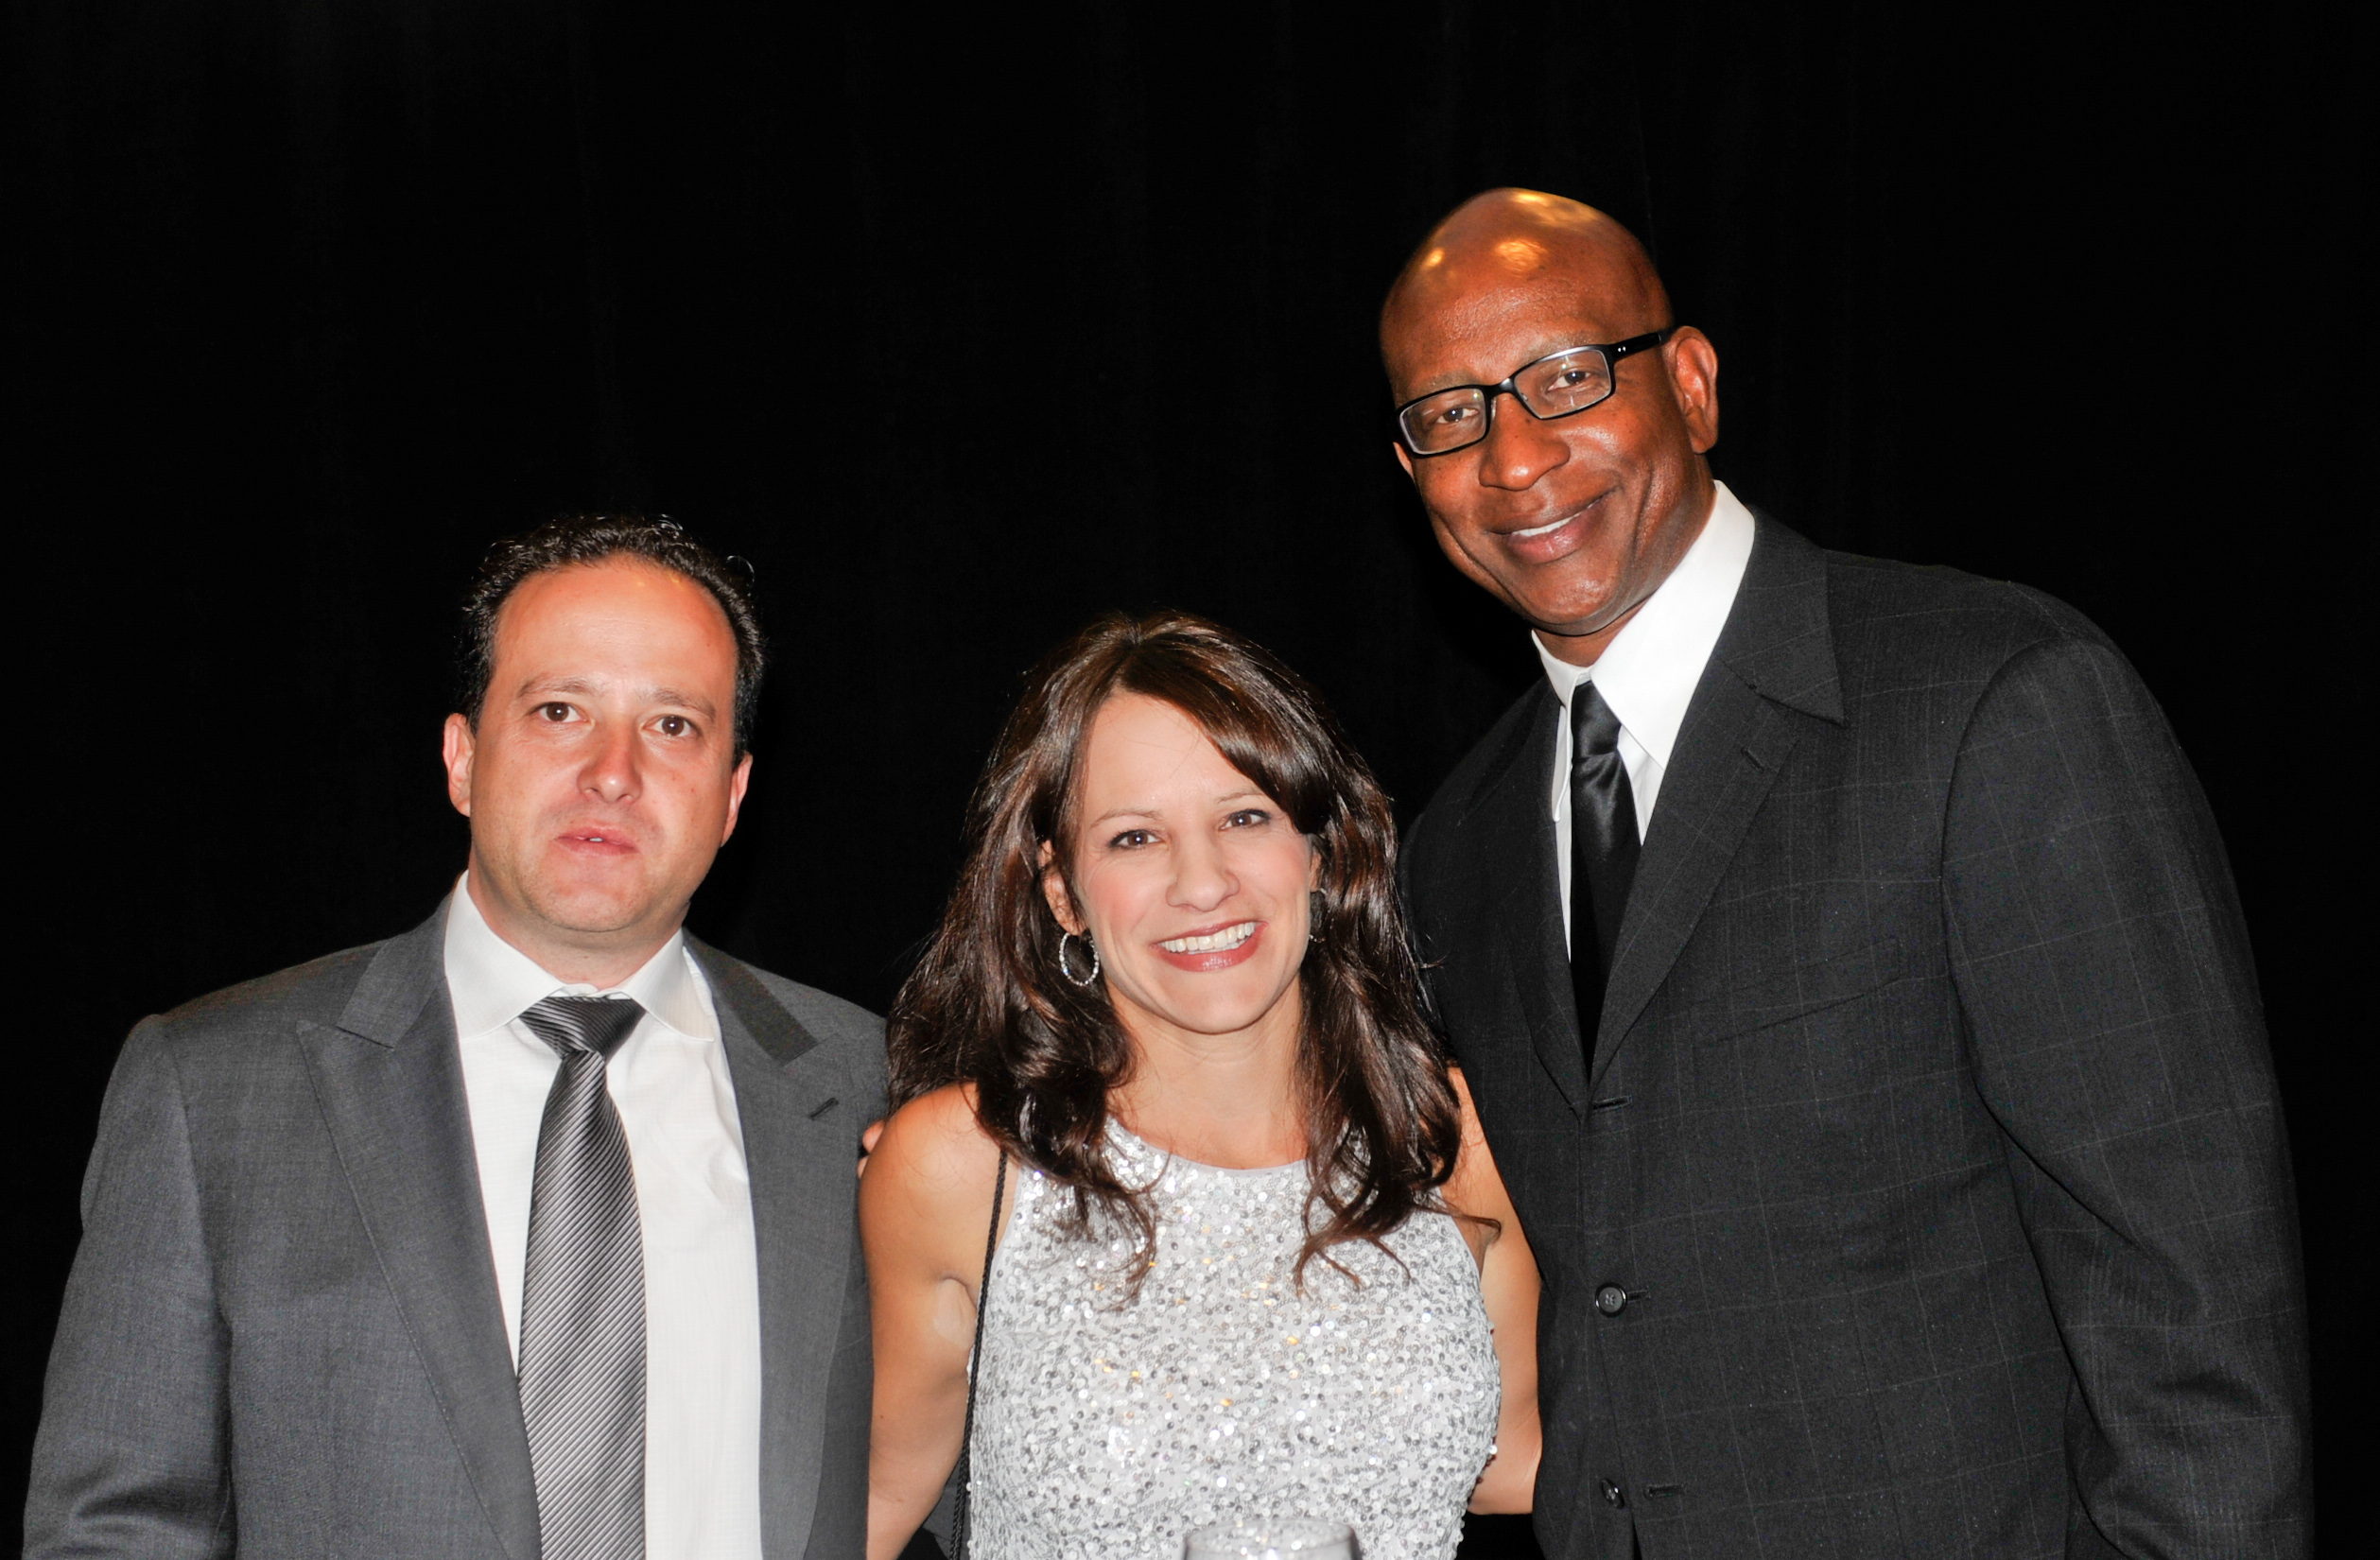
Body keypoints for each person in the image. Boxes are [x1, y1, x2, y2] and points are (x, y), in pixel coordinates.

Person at [1384, 188, 2312, 1559]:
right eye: (1451, 414)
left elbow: (2192, 1296)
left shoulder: (1992, 698)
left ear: (1690, 385)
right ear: (1412, 471)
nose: (1513, 456)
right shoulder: (1453, 848)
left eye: (1564, 377)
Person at [26, 515, 884, 1559]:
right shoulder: (213, 1094)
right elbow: (114, 1531)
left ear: (733, 795)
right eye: (560, 710)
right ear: (462, 757)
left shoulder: (869, 1084)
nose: (614, 772)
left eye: (672, 726)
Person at [860, 612, 1540, 1560]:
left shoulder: (1452, 1135)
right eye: (1135, 839)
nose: (1203, 883)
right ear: (1063, 894)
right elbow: (864, 1508)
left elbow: (1523, 1464)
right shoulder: (966, 1166)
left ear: (1319, 851)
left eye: (1245, 818)